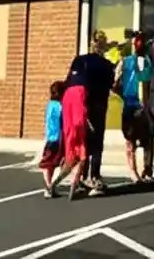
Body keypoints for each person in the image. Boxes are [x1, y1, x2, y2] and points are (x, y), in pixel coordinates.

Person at [114, 32, 154, 182]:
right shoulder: (125, 62)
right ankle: (133, 172)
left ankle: (147, 170)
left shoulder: (148, 62)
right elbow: (114, 83)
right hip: (131, 105)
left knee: (148, 139)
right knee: (130, 139)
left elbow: (151, 83)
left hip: (144, 107)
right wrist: (124, 94)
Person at [52, 48, 94, 200]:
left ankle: (54, 184)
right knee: (82, 158)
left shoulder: (67, 90)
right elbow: (82, 109)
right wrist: (88, 122)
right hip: (78, 124)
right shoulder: (82, 88)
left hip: (68, 127)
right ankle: (73, 186)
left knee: (70, 157)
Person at [80, 30, 116, 194]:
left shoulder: (81, 61)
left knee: (84, 142)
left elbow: (72, 84)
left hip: (83, 106)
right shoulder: (107, 65)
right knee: (96, 144)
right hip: (99, 106)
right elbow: (110, 86)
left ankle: (82, 175)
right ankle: (94, 176)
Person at [38, 81, 66, 198]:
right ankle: (51, 186)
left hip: (50, 137)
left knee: (48, 163)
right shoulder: (61, 106)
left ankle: (49, 184)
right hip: (59, 138)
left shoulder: (49, 105)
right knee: (62, 162)